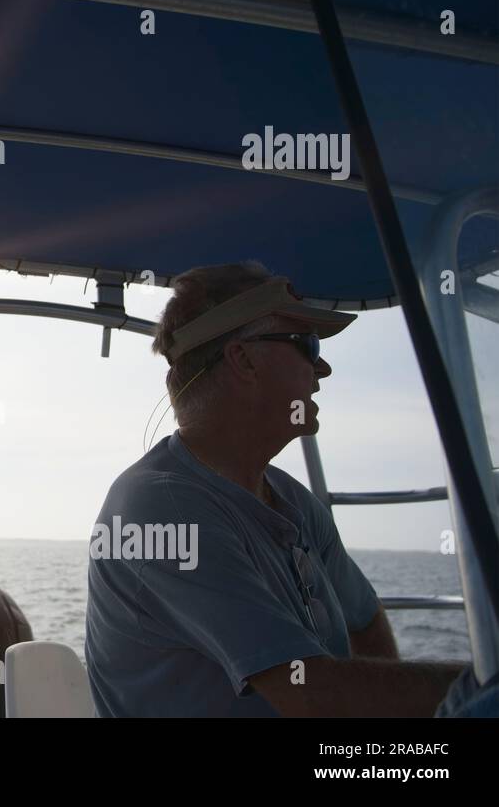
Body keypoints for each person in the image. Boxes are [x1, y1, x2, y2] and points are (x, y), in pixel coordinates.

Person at [85, 261, 468, 716]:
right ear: (244, 358)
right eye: (306, 344)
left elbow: (363, 620)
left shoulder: (294, 501)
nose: (322, 368)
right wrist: (477, 686)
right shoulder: (158, 508)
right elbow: (307, 692)